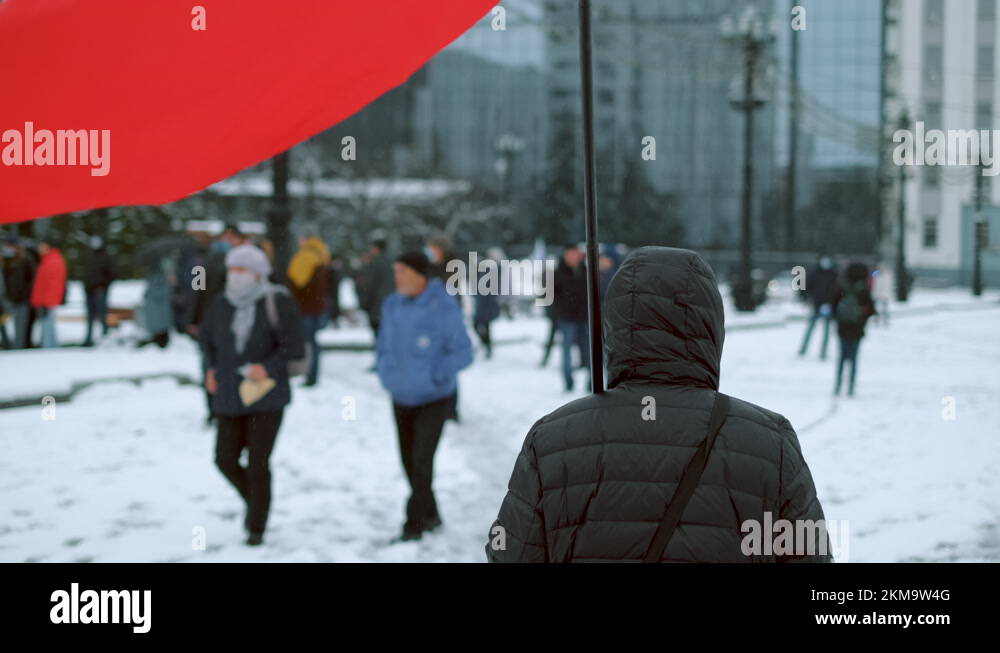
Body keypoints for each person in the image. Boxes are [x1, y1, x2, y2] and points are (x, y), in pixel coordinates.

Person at [486, 246, 830, 563]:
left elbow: (510, 554)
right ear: (710, 325)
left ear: (616, 324)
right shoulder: (771, 443)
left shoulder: (551, 440)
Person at [200, 244, 305, 546]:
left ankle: (256, 525)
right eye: (232, 269)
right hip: (230, 394)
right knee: (224, 458)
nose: (236, 275)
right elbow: (208, 340)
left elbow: (294, 347)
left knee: (259, 462)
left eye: (242, 269)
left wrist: (268, 367)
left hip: (266, 396)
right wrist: (210, 368)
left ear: (258, 273)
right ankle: (257, 500)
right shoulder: (222, 303)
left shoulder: (277, 301)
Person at [376, 251, 473, 541]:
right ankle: (431, 515)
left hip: (433, 397)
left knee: (421, 461)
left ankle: (413, 525)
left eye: (402, 271)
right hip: (400, 395)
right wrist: (386, 373)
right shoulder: (391, 304)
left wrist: (436, 375)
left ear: (420, 275)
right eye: (396, 272)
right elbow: (383, 345)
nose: (397, 278)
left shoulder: (442, 305)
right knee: (409, 463)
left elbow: (464, 352)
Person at [286, 230, 332, 387]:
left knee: (309, 343)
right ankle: (311, 374)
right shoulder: (321, 254)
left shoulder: (306, 258)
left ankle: (310, 374)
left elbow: (297, 282)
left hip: (306, 308)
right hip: (317, 308)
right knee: (312, 342)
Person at [833, 262, 876, 397]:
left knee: (841, 357)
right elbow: (870, 310)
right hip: (857, 329)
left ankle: (838, 385)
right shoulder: (863, 290)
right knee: (854, 358)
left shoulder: (842, 288)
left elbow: (833, 305)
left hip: (842, 327)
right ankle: (850, 387)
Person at [553, 244, 590, 392]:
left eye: (575, 254)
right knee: (566, 351)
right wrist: (559, 312)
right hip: (566, 318)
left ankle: (591, 381)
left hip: (584, 318)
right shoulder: (558, 273)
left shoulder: (586, 271)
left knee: (588, 351)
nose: (573, 257)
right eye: (570, 254)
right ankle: (568, 382)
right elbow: (552, 296)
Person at [798, 255, 838, 360]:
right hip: (817, 305)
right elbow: (806, 286)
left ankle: (823, 352)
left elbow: (836, 290)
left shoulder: (833, 274)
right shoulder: (814, 273)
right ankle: (803, 349)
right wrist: (807, 297)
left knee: (826, 331)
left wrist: (832, 303)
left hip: (828, 306)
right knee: (811, 328)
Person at [30, 236, 67, 349]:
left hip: (48, 301)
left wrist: (46, 301)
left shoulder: (53, 260)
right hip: (45, 300)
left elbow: (53, 284)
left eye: (42, 245)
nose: (39, 248)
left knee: (48, 325)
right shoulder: (47, 260)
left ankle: (48, 347)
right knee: (47, 325)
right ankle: (50, 346)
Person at [356, 239, 394, 343]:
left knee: (379, 339)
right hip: (391, 307)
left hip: (376, 307)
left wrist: (364, 304)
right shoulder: (393, 262)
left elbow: (369, 287)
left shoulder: (374, 263)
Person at [82, 235, 116, 347]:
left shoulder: (105, 256)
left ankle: (105, 338)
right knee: (90, 316)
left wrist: (103, 286)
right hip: (89, 290)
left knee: (102, 314)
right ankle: (89, 338)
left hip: (99, 290)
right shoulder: (89, 256)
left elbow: (112, 274)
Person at [1, 237, 35, 349]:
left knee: (20, 328)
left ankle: (18, 349)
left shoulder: (25, 260)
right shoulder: (5, 261)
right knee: (4, 325)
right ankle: (7, 345)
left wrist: (24, 295)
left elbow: (31, 280)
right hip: (7, 300)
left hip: (21, 300)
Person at [472, 251, 501, 359]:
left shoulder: (491, 271)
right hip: (483, 304)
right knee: (482, 326)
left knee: (482, 325)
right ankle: (487, 346)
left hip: (487, 304)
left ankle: (487, 347)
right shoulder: (484, 272)